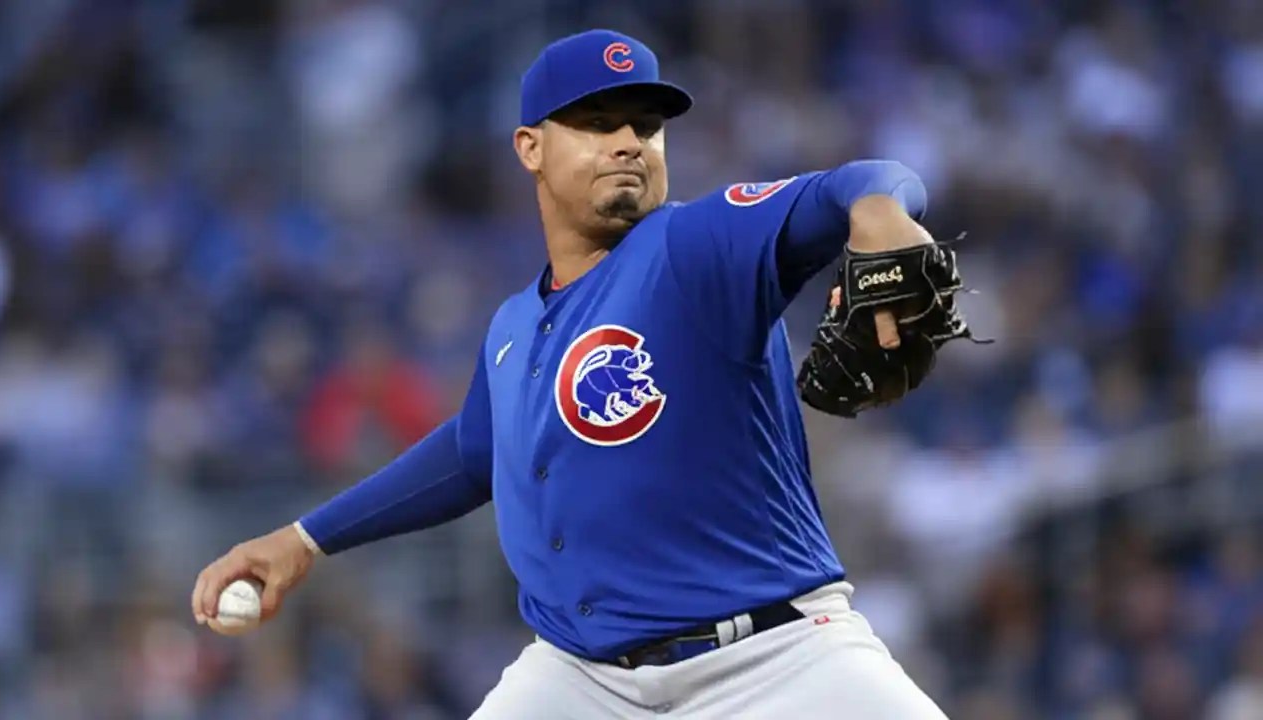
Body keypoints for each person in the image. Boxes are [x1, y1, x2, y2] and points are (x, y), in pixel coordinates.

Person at [192, 29, 949, 718]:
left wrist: (882, 207)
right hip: (583, 681)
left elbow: (862, 182)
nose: (628, 142)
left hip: (777, 660)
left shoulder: (694, 245)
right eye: (596, 122)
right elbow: (469, 456)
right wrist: (305, 538)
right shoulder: (513, 327)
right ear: (529, 147)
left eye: (645, 126)